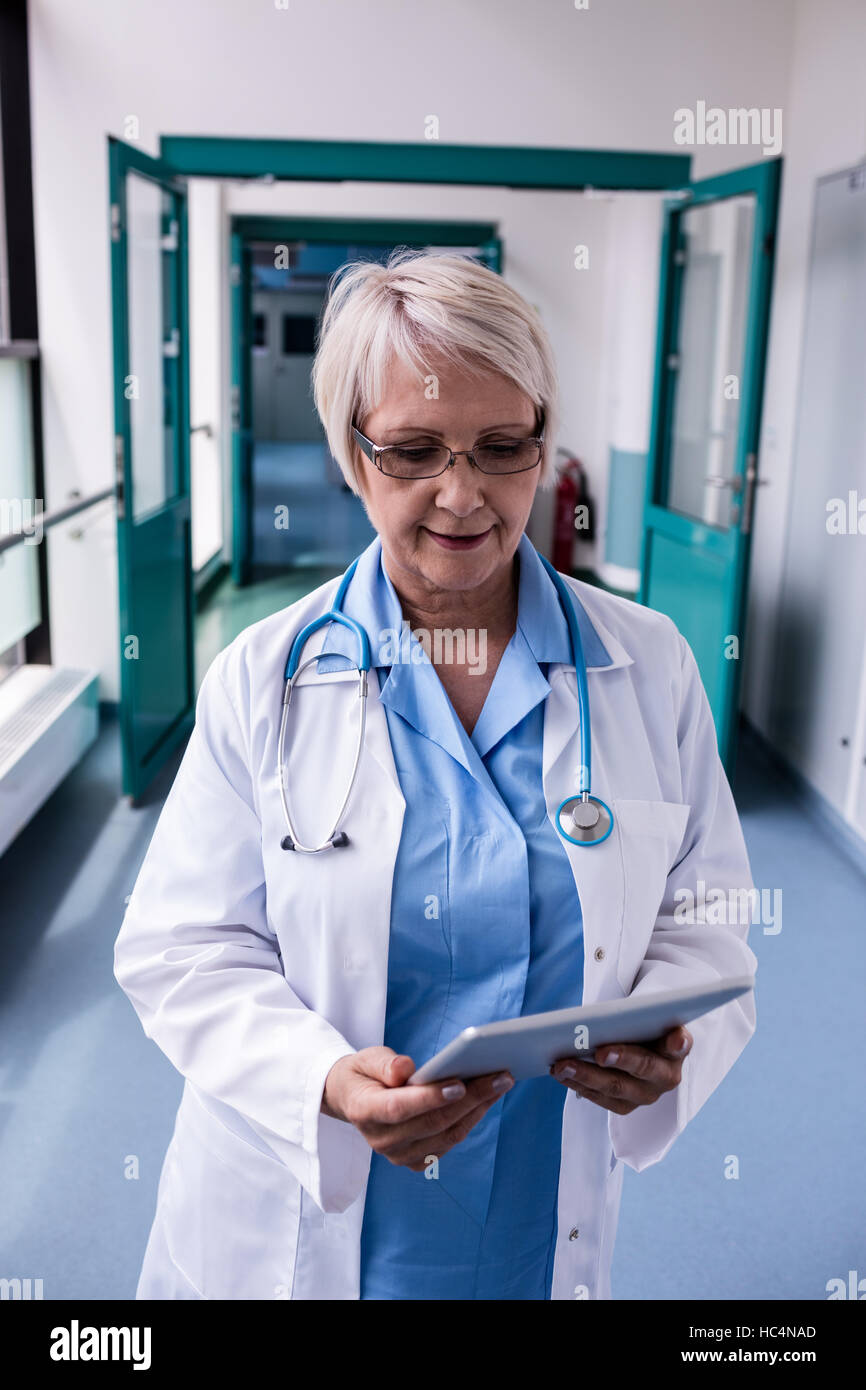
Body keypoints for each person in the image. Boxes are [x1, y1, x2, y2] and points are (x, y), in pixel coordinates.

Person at [114, 247, 757, 1301]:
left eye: (500, 447)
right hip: (305, 1211)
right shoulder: (263, 678)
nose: (461, 495)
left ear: (541, 449)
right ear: (352, 454)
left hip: (533, 1210)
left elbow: (710, 907)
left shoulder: (645, 667)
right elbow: (180, 945)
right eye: (413, 451)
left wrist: (669, 1026)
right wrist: (318, 1078)